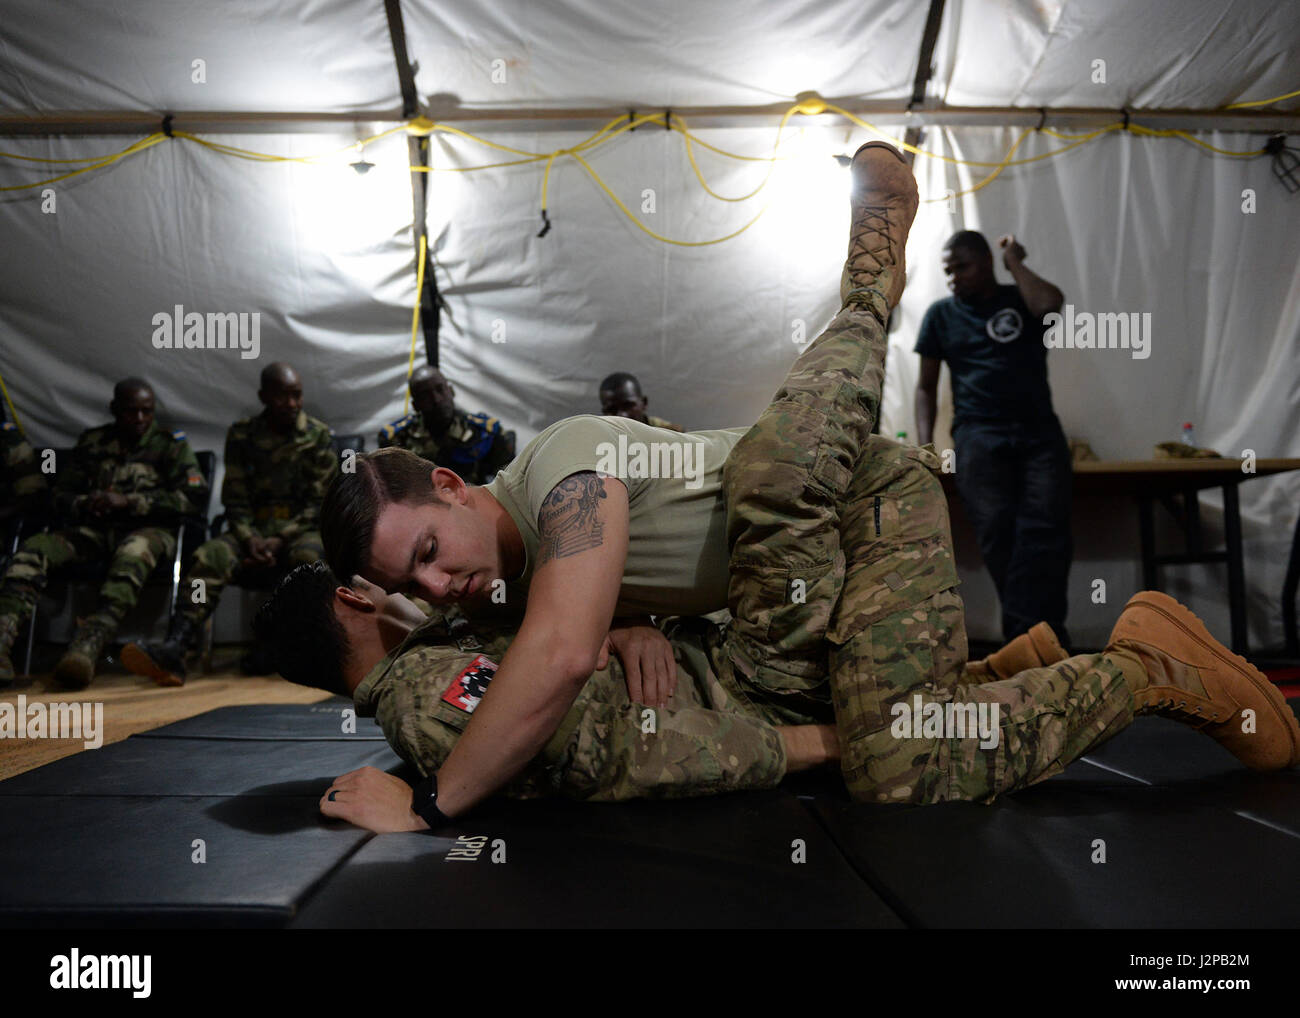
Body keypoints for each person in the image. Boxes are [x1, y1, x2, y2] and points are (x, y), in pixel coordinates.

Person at [320, 143, 1299, 821]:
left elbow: (559, 658)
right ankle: (992, 679)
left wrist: (437, 803)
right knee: (857, 681)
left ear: (450, 483)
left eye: (428, 554)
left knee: (899, 771)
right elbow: (573, 624)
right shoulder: (521, 578)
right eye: (414, 585)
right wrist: (634, 624)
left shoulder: (563, 463)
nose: (437, 586)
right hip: (797, 577)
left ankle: (1148, 669)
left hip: (858, 510)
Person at [254, 562, 1070, 831]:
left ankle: (998, 676)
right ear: (356, 603)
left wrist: (622, 626)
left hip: (720, 666)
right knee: (927, 752)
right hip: (746, 707)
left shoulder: (437, 653)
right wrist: (819, 746)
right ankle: (1131, 671)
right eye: (376, 578)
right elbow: (625, 756)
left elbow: (562, 652)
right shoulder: (434, 698)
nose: (405, 582)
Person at [122, 363, 335, 684]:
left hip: (299, 530)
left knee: (309, 562)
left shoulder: (318, 436)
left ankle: (297, 650)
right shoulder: (242, 434)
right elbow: (234, 497)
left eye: (297, 395)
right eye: (283, 396)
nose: (292, 403)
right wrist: (249, 538)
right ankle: (176, 646)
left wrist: (278, 539)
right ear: (264, 396)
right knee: (209, 558)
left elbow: (319, 503)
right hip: (249, 531)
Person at [913, 230, 1073, 647]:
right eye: (948, 271)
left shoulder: (1020, 298)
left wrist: (1015, 262)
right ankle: (1042, 641)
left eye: (962, 267)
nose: (953, 278)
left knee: (1045, 533)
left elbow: (1050, 304)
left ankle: (1033, 641)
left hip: (1038, 433)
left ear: (986, 260)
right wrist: (925, 446)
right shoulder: (940, 315)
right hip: (978, 437)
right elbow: (925, 387)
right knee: (998, 533)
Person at [0, 378, 208, 688]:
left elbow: (193, 498)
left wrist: (130, 502)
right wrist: (86, 502)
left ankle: (90, 642)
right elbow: (59, 495)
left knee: (133, 553)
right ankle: (3, 638)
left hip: (147, 531)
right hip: (93, 530)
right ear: (114, 409)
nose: (139, 419)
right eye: (131, 412)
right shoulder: (93, 442)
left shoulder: (170, 444)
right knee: (34, 550)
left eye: (146, 412)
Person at [377, 365, 514, 484]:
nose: (437, 400)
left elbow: (508, 478)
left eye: (440, 389)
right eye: (425, 395)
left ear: (451, 391)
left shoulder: (484, 432)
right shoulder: (396, 439)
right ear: (415, 405)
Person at [599, 372, 684, 431]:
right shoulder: (598, 439)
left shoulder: (670, 434)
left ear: (644, 403)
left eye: (628, 406)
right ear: (604, 412)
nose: (622, 416)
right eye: (612, 410)